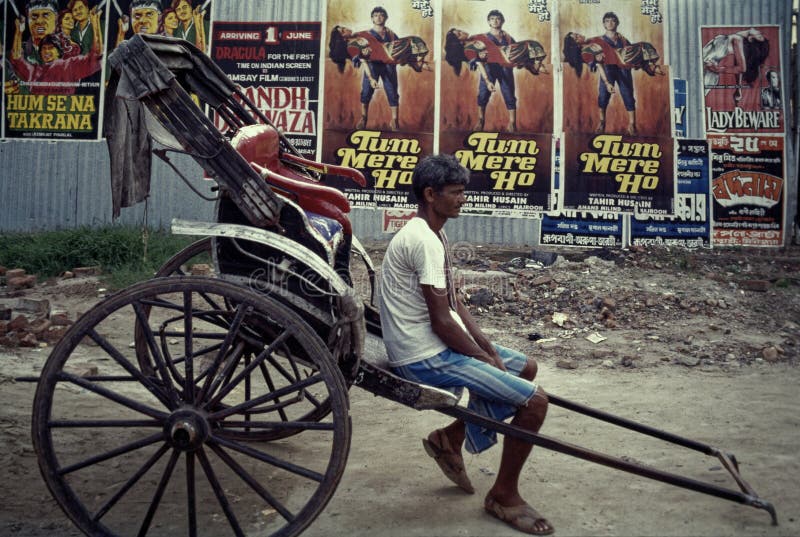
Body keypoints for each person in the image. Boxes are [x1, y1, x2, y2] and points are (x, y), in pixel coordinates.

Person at [379, 154, 553, 536]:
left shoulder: (434, 232)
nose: (463, 199)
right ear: (430, 194)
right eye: (456, 193)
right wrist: (483, 359)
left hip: (434, 343)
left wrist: (488, 349)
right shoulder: (421, 239)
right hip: (422, 356)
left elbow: (453, 302)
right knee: (534, 402)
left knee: (524, 368)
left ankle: (450, 438)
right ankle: (503, 496)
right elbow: (442, 321)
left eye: (463, 192)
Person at [9, 7, 103, 95]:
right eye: (44, 49)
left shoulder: (70, 66)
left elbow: (96, 55)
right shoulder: (34, 72)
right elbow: (16, 58)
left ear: (59, 51)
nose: (46, 52)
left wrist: (95, 23)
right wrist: (19, 31)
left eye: (50, 48)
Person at [592, 12, 637, 135]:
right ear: (604, 24)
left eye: (612, 20)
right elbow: (598, 63)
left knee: (628, 95)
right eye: (607, 21)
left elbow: (631, 57)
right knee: (603, 96)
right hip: (607, 70)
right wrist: (606, 82)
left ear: (617, 23)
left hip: (623, 71)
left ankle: (632, 124)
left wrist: (634, 62)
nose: (610, 23)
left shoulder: (623, 40)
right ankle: (602, 121)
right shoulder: (599, 41)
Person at [356, 6, 400, 131]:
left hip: (388, 66)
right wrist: (370, 77)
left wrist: (398, 60)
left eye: (381, 15)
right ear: (372, 18)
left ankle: (395, 120)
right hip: (372, 66)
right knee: (366, 92)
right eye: (376, 15)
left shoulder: (391, 35)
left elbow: (398, 51)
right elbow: (362, 58)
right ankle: (364, 118)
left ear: (386, 17)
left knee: (392, 92)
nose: (378, 17)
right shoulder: (366, 35)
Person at [474, 10, 517, 132]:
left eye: (498, 18)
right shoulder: (483, 38)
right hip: (489, 69)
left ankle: (512, 123)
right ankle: (481, 119)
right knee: (483, 94)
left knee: (509, 94)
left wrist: (519, 63)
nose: (495, 21)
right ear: (488, 21)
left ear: (502, 21)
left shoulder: (508, 38)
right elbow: (478, 60)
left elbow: (516, 55)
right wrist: (487, 80)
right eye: (492, 18)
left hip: (505, 69)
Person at [702, 28, 769, 104]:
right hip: (706, 69)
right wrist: (738, 88)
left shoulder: (738, 39)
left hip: (707, 71)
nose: (760, 32)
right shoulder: (739, 40)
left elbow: (742, 69)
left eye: (759, 36)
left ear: (751, 39)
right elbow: (738, 66)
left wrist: (717, 69)